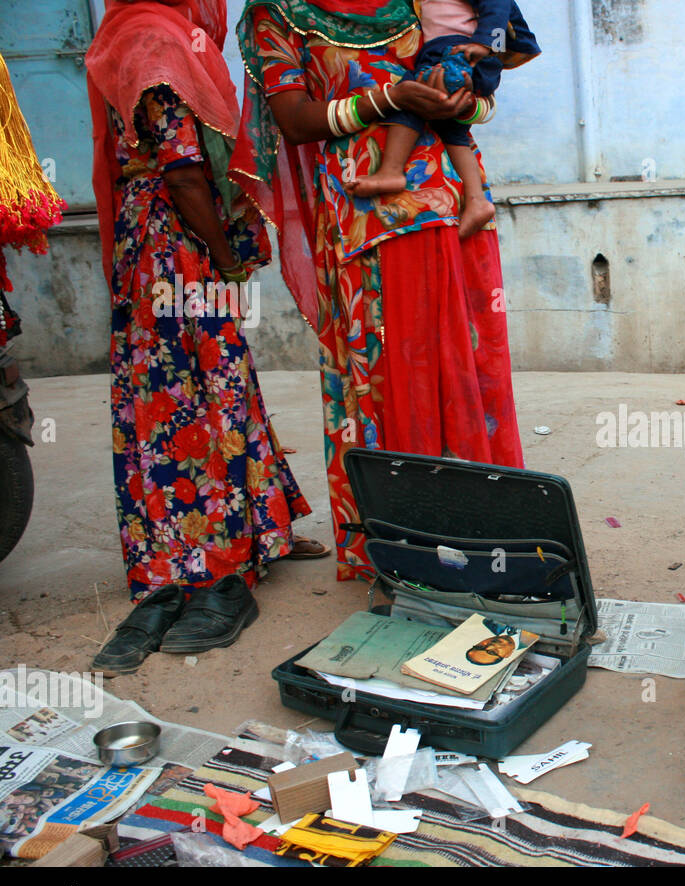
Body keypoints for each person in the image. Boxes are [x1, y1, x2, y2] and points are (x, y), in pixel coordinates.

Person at [231, 0, 524, 583]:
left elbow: (483, 69)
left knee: (462, 367)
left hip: (453, 206)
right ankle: (412, 556)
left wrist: (467, 102)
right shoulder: (278, 11)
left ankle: (480, 543)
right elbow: (292, 120)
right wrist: (389, 100)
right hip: (365, 212)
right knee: (391, 376)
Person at [85, 0, 325, 677]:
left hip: (148, 250)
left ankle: (243, 531)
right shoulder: (159, 43)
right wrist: (222, 256)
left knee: (194, 392)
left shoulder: (123, 34)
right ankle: (206, 565)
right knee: (189, 403)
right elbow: (186, 172)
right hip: (178, 249)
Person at [346, 0, 540, 242]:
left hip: (459, 52)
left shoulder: (480, 43)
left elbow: (498, 5)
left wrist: (487, 46)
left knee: (412, 95)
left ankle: (391, 171)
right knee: (452, 130)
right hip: (455, 53)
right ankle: (477, 201)